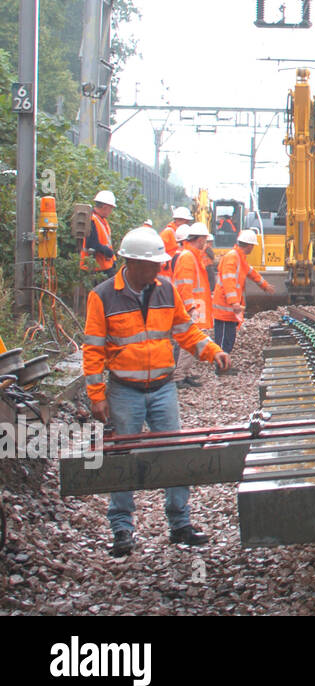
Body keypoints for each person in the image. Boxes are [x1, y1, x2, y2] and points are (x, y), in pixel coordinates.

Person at [83, 226, 230, 557]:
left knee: (173, 454)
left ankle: (180, 523)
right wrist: (97, 396)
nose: (160, 269)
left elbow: (186, 331)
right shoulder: (103, 296)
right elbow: (92, 350)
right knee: (124, 457)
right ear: (133, 263)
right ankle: (122, 529)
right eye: (154, 265)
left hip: (162, 388)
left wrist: (212, 351)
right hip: (125, 391)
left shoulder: (165, 290)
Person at [212, 229, 273, 363]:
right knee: (222, 340)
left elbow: (252, 273)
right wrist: (234, 302)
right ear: (249, 245)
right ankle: (220, 366)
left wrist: (264, 285)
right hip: (224, 308)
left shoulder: (239, 258)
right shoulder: (232, 257)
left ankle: (224, 364)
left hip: (230, 309)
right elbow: (229, 281)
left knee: (229, 339)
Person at [172, 223, 214, 388]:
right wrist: (190, 307)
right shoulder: (188, 257)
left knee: (192, 341)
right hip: (192, 307)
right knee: (190, 341)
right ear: (200, 238)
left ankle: (185, 373)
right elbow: (184, 285)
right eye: (205, 239)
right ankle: (179, 376)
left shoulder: (193, 255)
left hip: (196, 305)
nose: (206, 243)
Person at [80, 190, 117, 276]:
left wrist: (113, 259)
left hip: (104, 266)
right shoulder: (92, 220)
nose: (111, 211)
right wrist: (107, 251)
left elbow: (107, 242)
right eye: (111, 208)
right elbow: (92, 244)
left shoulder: (102, 220)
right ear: (105, 207)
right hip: (96, 269)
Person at [159, 206, 192, 281]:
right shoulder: (168, 233)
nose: (187, 224)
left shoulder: (179, 232)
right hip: (166, 273)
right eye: (186, 221)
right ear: (178, 220)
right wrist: (166, 264)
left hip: (173, 270)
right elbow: (159, 251)